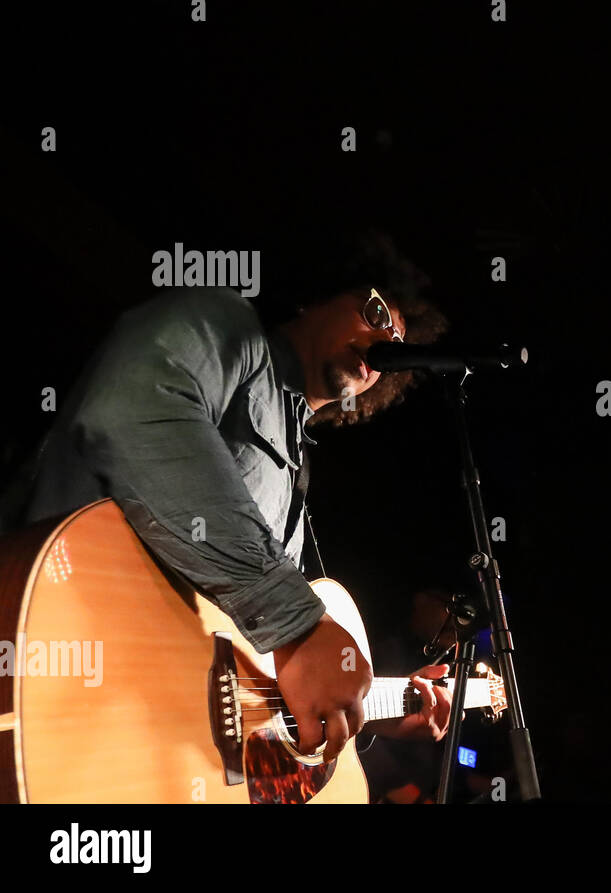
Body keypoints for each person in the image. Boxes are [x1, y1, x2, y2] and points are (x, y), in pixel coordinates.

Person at [0, 229, 452, 761]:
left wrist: (364, 707)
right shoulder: (227, 323)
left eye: (399, 348)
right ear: (318, 295)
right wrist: (301, 622)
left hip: (142, 739)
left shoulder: (295, 471)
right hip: (49, 647)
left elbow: (254, 673)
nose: (385, 349)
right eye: (376, 313)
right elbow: (134, 413)